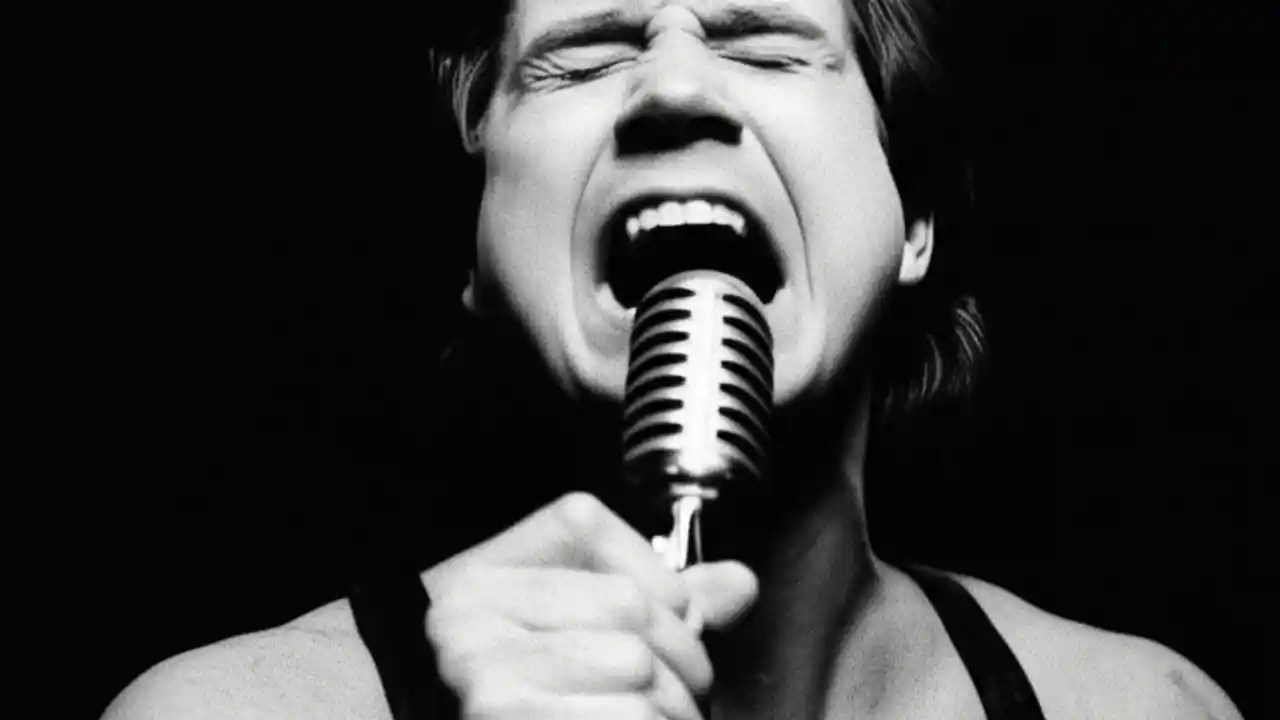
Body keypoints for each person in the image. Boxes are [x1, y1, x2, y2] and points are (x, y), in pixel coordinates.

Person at [103, 0, 1245, 718]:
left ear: (914, 221)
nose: (675, 88)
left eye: (766, 46)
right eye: (581, 58)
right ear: (472, 244)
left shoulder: (1142, 708)